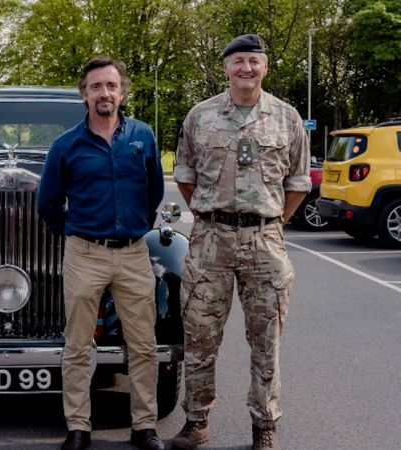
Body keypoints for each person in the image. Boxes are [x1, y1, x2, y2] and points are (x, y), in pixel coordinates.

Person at [172, 34, 311, 450]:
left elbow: (299, 181)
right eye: (238, 62)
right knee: (199, 337)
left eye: (254, 61)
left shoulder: (287, 118)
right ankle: (196, 421)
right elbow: (185, 175)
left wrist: (273, 221)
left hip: (265, 242)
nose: (246, 68)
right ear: (226, 68)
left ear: (265, 67)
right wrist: (213, 216)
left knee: (266, 340)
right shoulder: (201, 115)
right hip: (210, 241)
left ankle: (264, 425)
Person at [37, 57, 171, 450]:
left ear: (122, 92)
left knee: (143, 344)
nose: (104, 93)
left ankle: (144, 426)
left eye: (111, 86)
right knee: (78, 344)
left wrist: (134, 226)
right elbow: (48, 202)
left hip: (132, 253)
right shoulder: (66, 146)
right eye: (96, 86)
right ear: (84, 94)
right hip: (84, 254)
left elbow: (154, 193)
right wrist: (75, 233)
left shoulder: (142, 136)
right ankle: (79, 426)